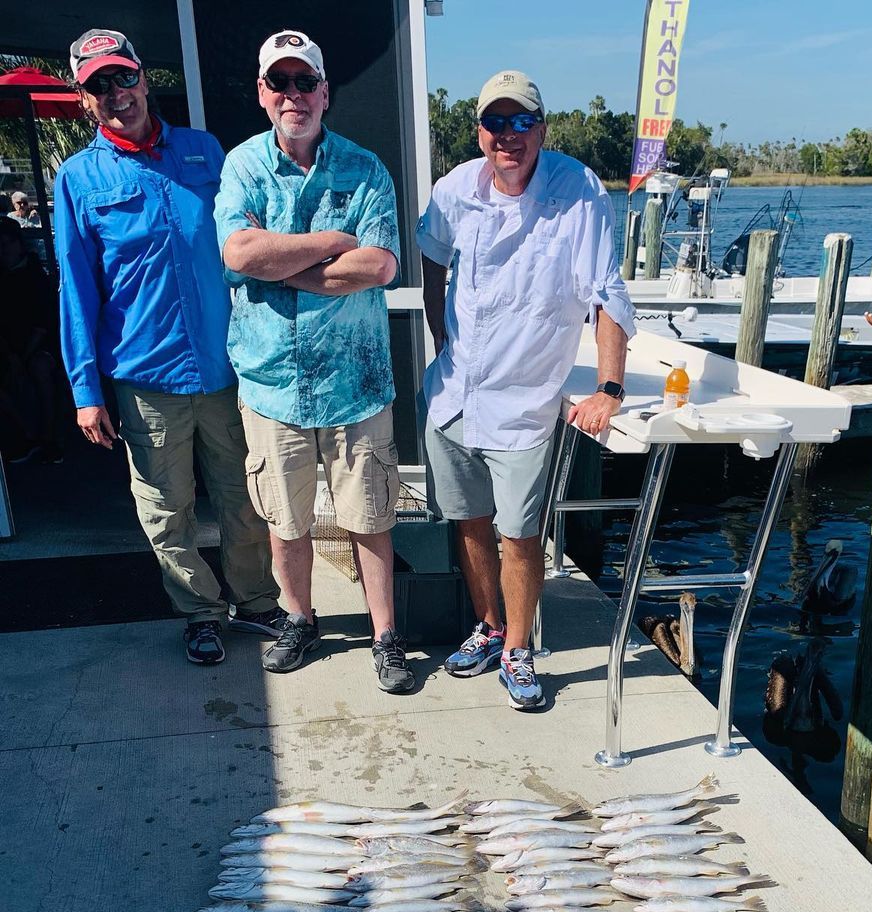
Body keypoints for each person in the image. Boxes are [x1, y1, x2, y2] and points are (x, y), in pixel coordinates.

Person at [53, 27, 282, 665]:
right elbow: (76, 288)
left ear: (144, 79)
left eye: (123, 77)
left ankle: (256, 601)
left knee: (245, 496)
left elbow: (249, 244)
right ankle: (200, 612)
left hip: (228, 366)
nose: (116, 93)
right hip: (146, 379)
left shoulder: (205, 152)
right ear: (84, 99)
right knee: (166, 509)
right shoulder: (77, 178)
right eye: (99, 85)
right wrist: (86, 391)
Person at [417, 70, 634, 712]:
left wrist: (609, 387)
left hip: (524, 399)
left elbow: (607, 291)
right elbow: (431, 256)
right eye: (494, 122)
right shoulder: (455, 188)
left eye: (520, 122)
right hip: (455, 391)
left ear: (541, 128)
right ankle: (488, 627)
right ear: (479, 131)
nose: (506, 136)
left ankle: (518, 647)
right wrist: (440, 337)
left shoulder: (580, 190)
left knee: (519, 532)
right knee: (469, 519)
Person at [214, 30, 413, 689]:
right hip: (271, 383)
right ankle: (300, 619)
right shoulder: (242, 166)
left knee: (371, 517)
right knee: (287, 518)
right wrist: (331, 241)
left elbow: (378, 266)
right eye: (280, 82)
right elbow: (239, 253)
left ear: (325, 93)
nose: (293, 94)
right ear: (262, 93)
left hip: (357, 382)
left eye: (306, 82)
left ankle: (386, 635)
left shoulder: (367, 168)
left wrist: (280, 266)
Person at [0, 216, 64, 463]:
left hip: (39, 345)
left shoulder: (36, 275)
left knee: (40, 368)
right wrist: (11, 356)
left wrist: (24, 356)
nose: (3, 250)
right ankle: (26, 435)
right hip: (8, 347)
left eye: (7, 243)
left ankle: (48, 438)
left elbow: (43, 324)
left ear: (19, 244)